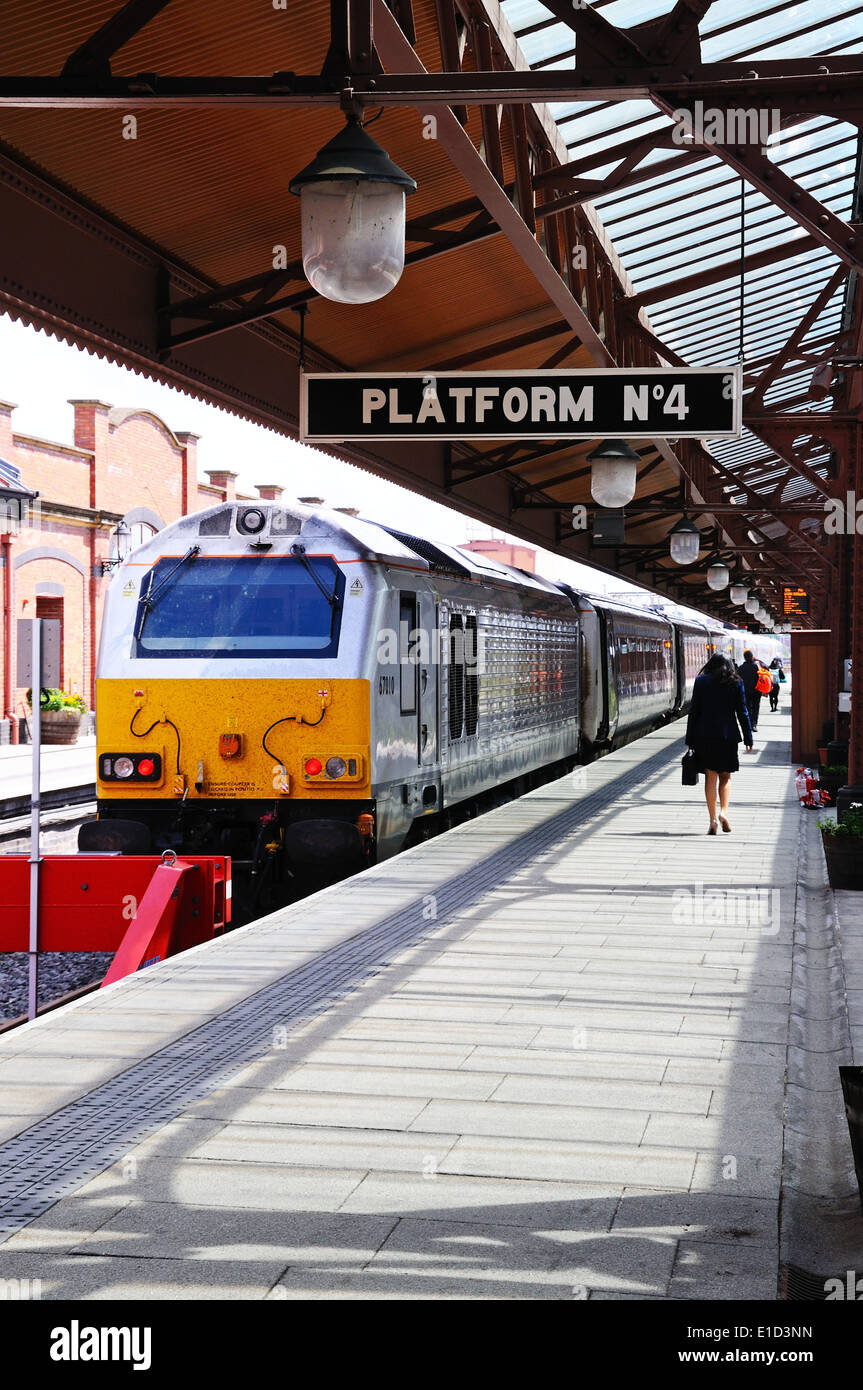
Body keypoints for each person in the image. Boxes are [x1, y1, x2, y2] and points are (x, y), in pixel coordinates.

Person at [686, 654, 754, 835]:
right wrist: (748, 737)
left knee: (710, 776)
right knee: (726, 776)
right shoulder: (736, 682)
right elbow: (743, 712)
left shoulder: (701, 681)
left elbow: (694, 712)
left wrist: (689, 739)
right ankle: (724, 813)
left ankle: (712, 820)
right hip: (728, 736)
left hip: (705, 736)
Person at [736, 648, 762, 733]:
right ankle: (754, 724)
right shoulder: (756, 667)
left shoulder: (740, 668)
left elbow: (737, 680)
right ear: (751, 657)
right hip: (756, 691)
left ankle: (749, 724)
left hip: (745, 692)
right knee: (755, 708)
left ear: (744, 657)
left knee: (747, 708)